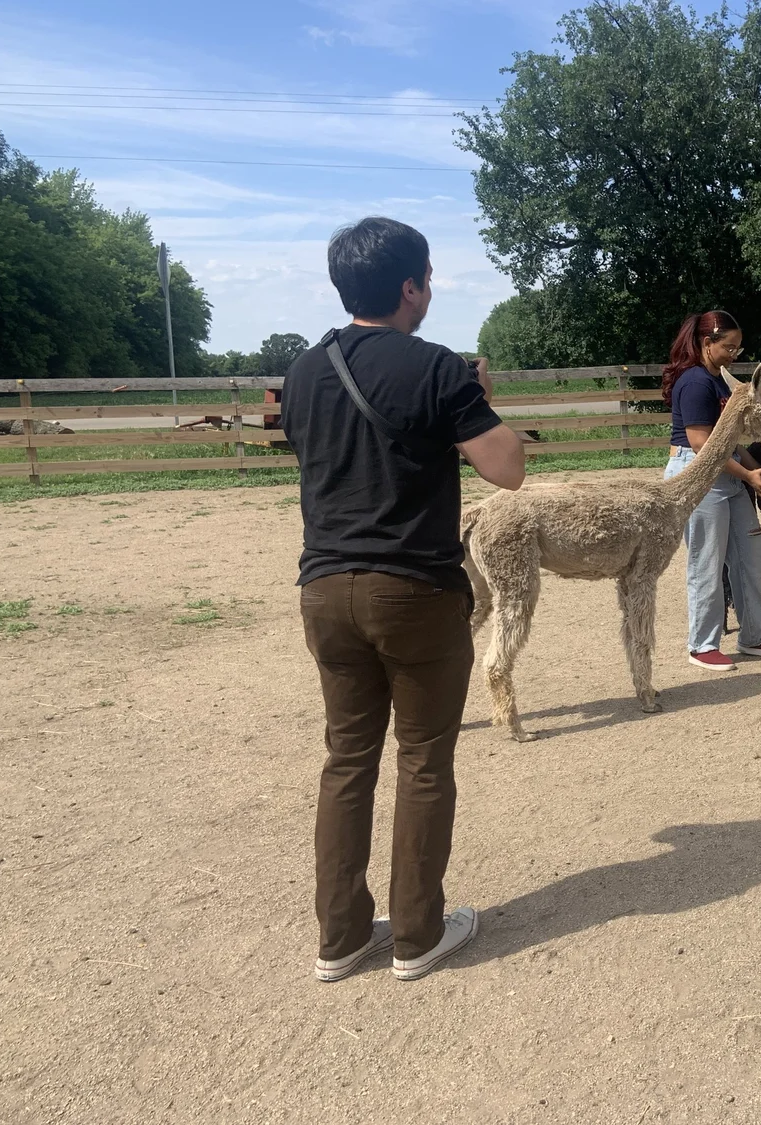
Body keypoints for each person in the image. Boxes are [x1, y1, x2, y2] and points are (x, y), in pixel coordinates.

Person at [282, 217, 526, 983]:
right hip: (413, 588)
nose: (431, 289)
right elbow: (507, 469)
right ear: (408, 286)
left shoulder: (302, 371)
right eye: (427, 276)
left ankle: (341, 936)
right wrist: (480, 399)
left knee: (346, 760)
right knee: (423, 759)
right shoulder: (436, 369)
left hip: (324, 588)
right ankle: (418, 934)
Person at [661, 311, 761, 671]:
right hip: (699, 474)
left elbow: (729, 441)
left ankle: (754, 635)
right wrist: (747, 476)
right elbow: (702, 444)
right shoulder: (695, 383)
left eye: (738, 347)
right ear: (707, 343)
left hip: (728, 471)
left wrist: (754, 470)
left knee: (750, 555)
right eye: (728, 347)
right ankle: (702, 645)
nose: (735, 354)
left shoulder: (721, 380)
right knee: (707, 561)